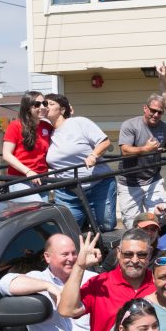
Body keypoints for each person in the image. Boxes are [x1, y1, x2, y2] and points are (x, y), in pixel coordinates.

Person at [44, 93, 117, 230]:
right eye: (44, 104)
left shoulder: (79, 122)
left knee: (105, 226)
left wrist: (93, 155)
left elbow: (105, 142)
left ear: (63, 110)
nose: (46, 107)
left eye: (51, 104)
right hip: (67, 191)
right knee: (69, 229)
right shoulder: (46, 132)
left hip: (98, 185)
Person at [117, 94, 166, 228]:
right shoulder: (130, 125)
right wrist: (145, 149)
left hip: (153, 180)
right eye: (153, 110)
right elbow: (125, 150)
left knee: (159, 219)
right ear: (145, 108)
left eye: (159, 112)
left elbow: (163, 145)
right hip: (129, 182)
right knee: (133, 225)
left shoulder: (164, 127)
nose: (155, 114)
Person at [2, 90, 53, 200]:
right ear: (28, 107)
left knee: (42, 213)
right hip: (20, 179)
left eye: (44, 103)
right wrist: (28, 171)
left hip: (42, 179)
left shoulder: (46, 126)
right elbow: (6, 154)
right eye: (37, 104)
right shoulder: (15, 126)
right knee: (37, 208)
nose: (42, 107)